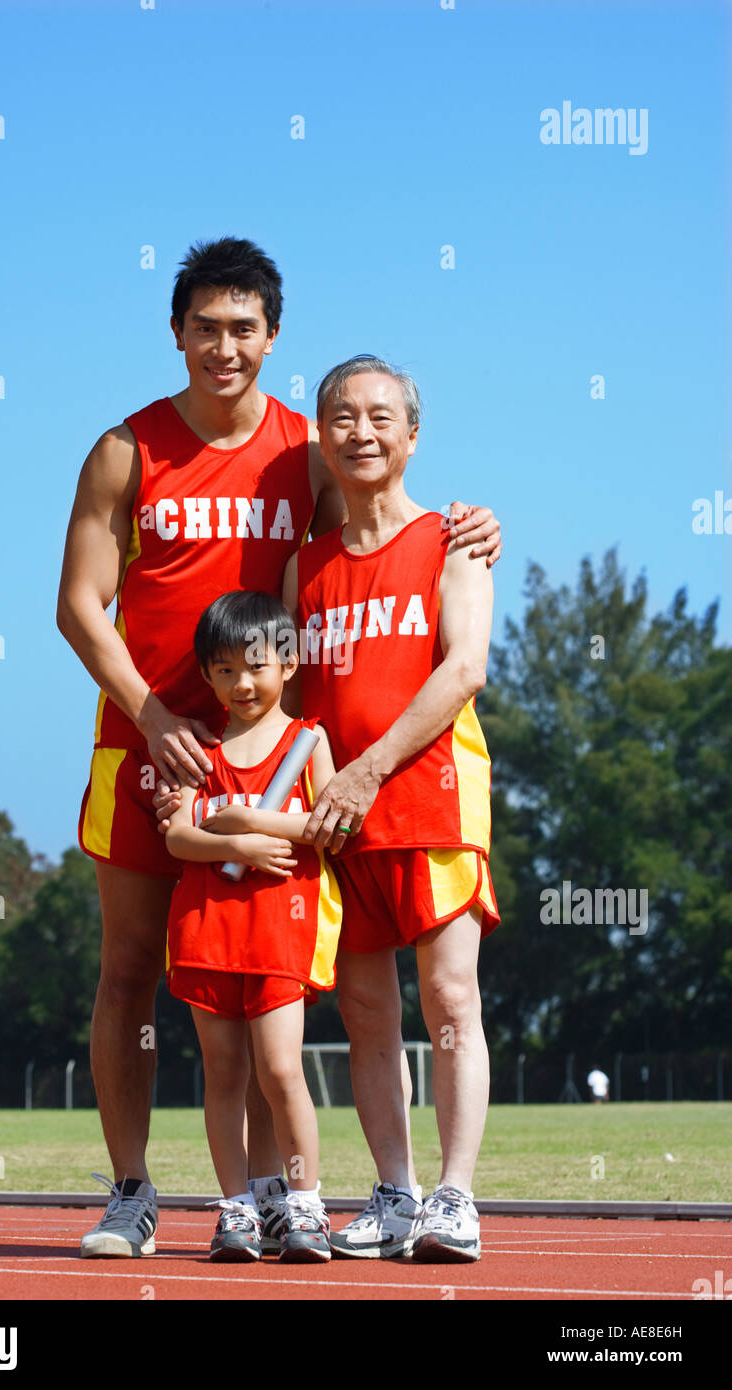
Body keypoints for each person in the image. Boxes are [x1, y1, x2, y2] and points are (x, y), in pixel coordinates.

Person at [56, 236, 502, 1258]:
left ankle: (267, 1197)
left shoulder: (307, 448)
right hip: (146, 746)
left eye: (242, 329)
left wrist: (469, 526)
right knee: (128, 969)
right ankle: (130, 1189)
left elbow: (381, 515)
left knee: (262, 985)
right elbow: (79, 607)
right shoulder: (125, 449)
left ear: (271, 338)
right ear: (175, 333)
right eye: (204, 328)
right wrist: (152, 714)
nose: (223, 346)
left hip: (270, 763)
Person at [282, 355, 500, 1264]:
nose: (361, 432)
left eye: (380, 417)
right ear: (321, 439)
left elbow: (464, 670)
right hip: (339, 818)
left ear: (412, 435)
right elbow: (290, 702)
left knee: (450, 997)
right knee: (366, 1016)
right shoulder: (308, 564)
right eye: (341, 417)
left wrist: (368, 769)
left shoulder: (456, 541)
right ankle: (395, 1194)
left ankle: (457, 1197)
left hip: (433, 801)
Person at [164, 590, 341, 1261]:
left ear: (289, 663)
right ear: (208, 674)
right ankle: (236, 1206)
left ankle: (304, 1204)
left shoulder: (308, 740)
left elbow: (326, 828)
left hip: (279, 934)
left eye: (257, 665)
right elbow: (179, 837)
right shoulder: (199, 749)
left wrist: (243, 820)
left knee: (280, 1070)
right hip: (206, 932)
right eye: (225, 670)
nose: (242, 683)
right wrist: (233, 847)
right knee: (224, 1075)